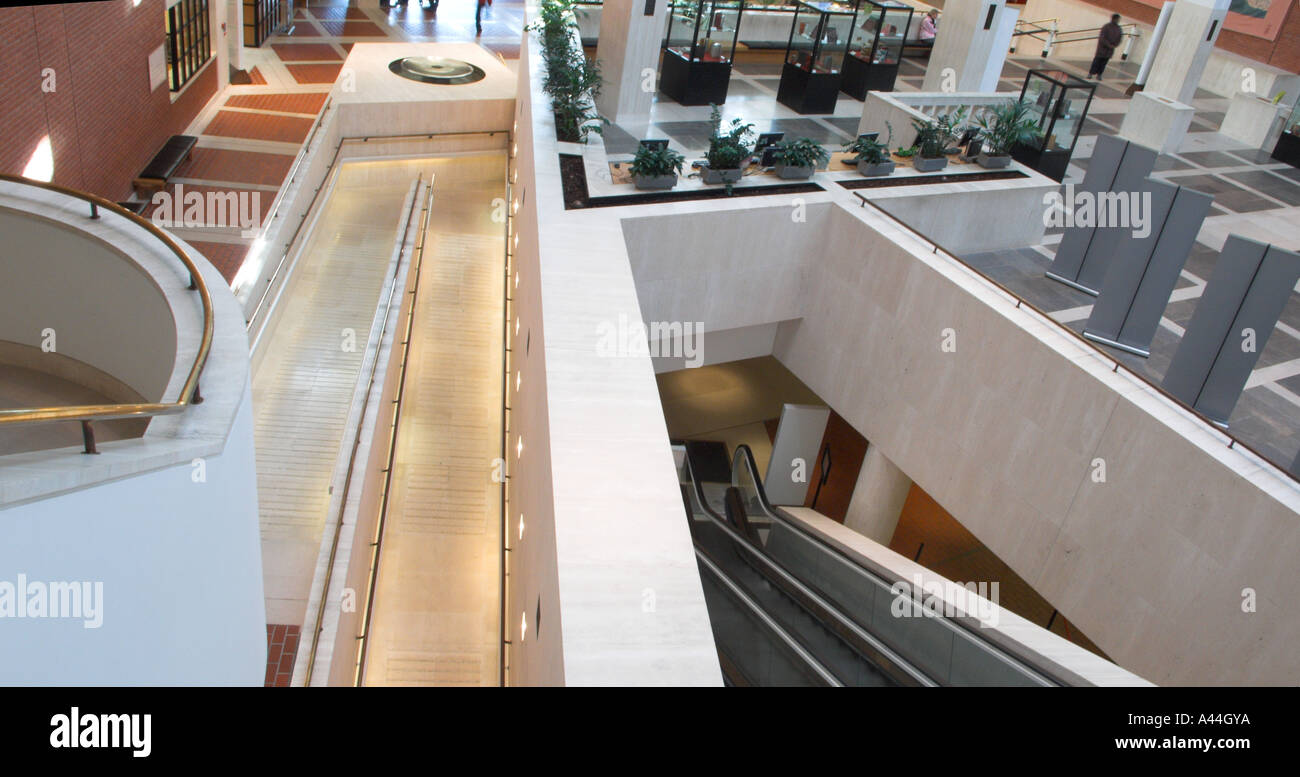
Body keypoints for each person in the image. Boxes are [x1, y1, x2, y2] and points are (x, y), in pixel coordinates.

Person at [1089, 14, 1123, 80]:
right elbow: (1102, 38)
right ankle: (1090, 73)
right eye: (1117, 19)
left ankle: (1099, 74)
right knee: (1096, 61)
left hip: (1110, 50)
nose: (1118, 21)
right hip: (1102, 49)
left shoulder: (1119, 29)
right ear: (1114, 19)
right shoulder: (1106, 27)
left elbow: (1120, 38)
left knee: (1104, 63)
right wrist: (1109, 45)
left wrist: (1115, 45)